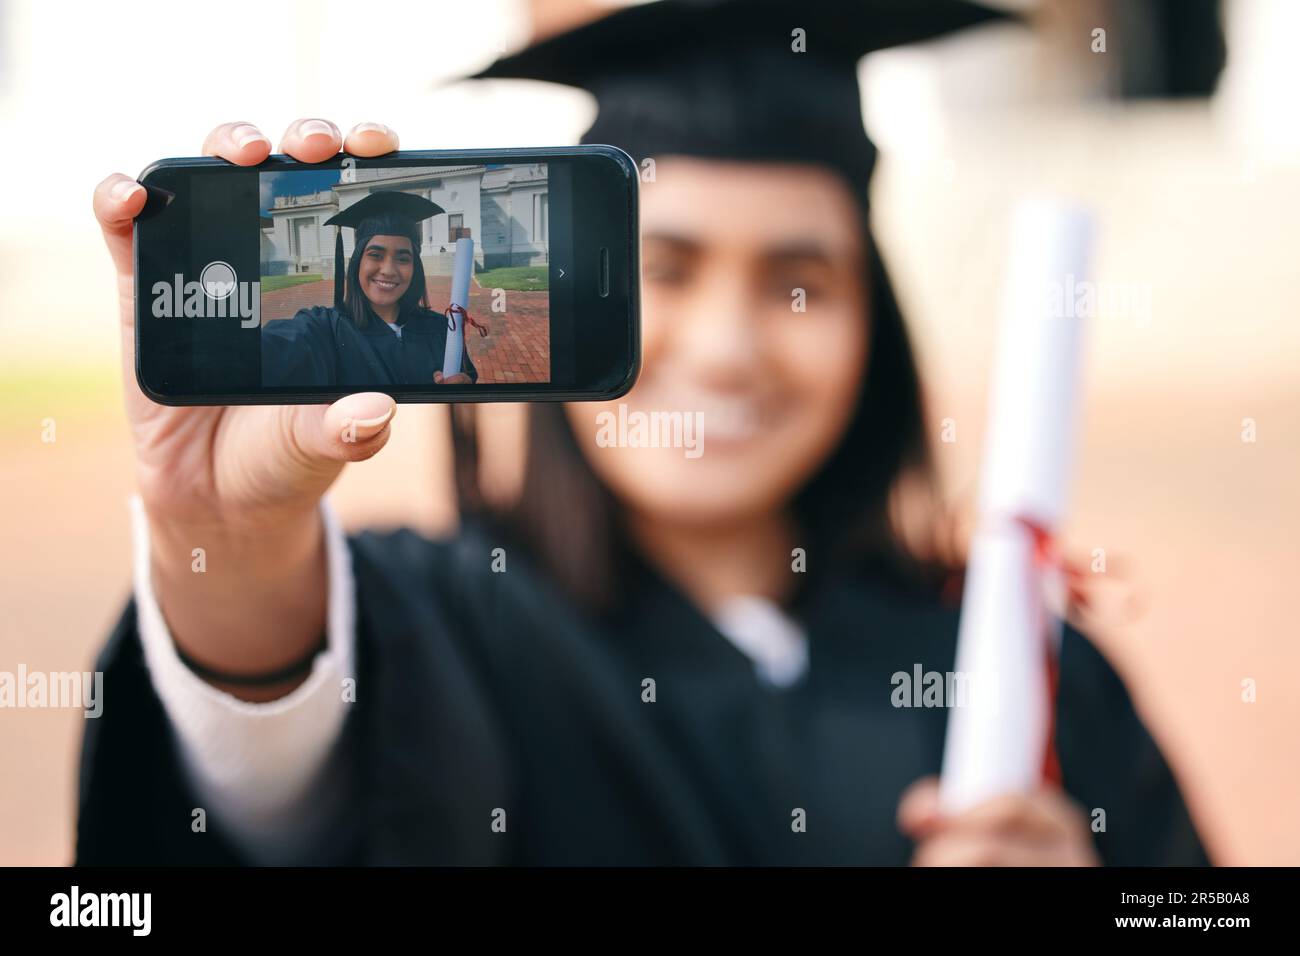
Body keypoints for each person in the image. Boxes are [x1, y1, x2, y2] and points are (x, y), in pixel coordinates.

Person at [80, 0, 1208, 865]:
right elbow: (260, 785)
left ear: (875, 323)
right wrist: (222, 541)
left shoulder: (1015, 667)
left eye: (797, 281)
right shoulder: (428, 623)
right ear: (563, 301)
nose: (725, 347)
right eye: (663, 268)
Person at [261, 190, 478, 388]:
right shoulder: (326, 329)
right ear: (358, 262)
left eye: (403, 258)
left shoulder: (442, 330)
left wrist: (462, 394)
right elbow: (266, 352)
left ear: (415, 268)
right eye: (375, 255)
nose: (388, 270)